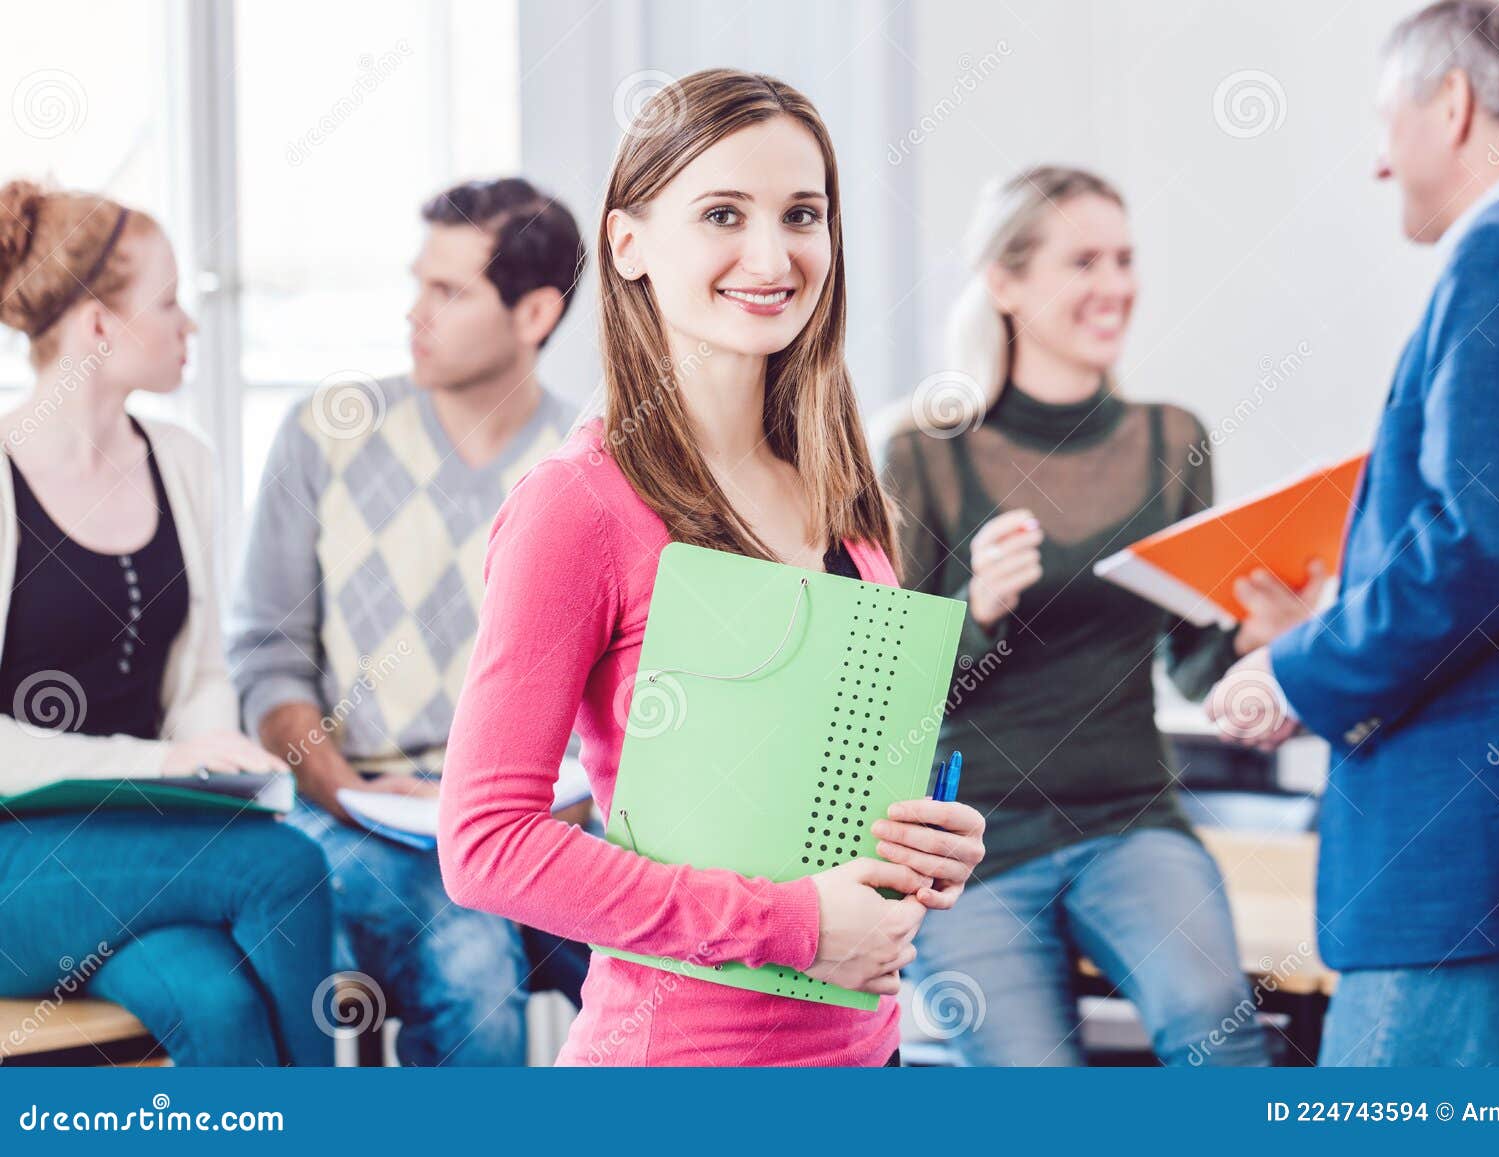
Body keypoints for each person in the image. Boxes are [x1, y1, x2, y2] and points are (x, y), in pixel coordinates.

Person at [437, 69, 986, 1067]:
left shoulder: (844, 483)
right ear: (630, 242)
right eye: (723, 213)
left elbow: (820, 804)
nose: (772, 255)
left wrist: (922, 843)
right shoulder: (580, 504)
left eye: (802, 213)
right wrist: (796, 924)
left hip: (866, 1058)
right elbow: (485, 845)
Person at [1208, 0, 1499, 1066]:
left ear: (1453, 102)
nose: (1379, 165)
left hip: (1476, 858)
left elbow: (1492, 536)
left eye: (1386, 122)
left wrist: (1296, 670)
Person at [880, 166, 1324, 1066]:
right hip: (970, 842)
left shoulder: (1173, 440)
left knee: (1219, 1034)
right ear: (1005, 283)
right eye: (1083, 261)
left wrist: (1256, 636)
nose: (1116, 284)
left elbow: (1191, 664)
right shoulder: (924, 454)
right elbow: (884, 688)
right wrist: (979, 609)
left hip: (1130, 817)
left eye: (1124, 259)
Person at [229, 178, 589, 1066]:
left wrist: (557, 804)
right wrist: (339, 780)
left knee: (696, 969)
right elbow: (267, 660)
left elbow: (636, 694)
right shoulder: (325, 433)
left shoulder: (592, 464)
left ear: (535, 311)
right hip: (352, 810)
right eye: (417, 283)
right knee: (472, 970)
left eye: (448, 291)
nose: (413, 314)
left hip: (542, 814)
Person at [0, 180, 333, 1066]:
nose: (191, 325)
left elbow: (197, 678)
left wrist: (214, 752)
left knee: (215, 1002)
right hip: (15, 867)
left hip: (139, 845)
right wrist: (165, 761)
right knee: (289, 865)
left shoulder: (182, 462)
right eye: (171, 301)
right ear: (99, 327)